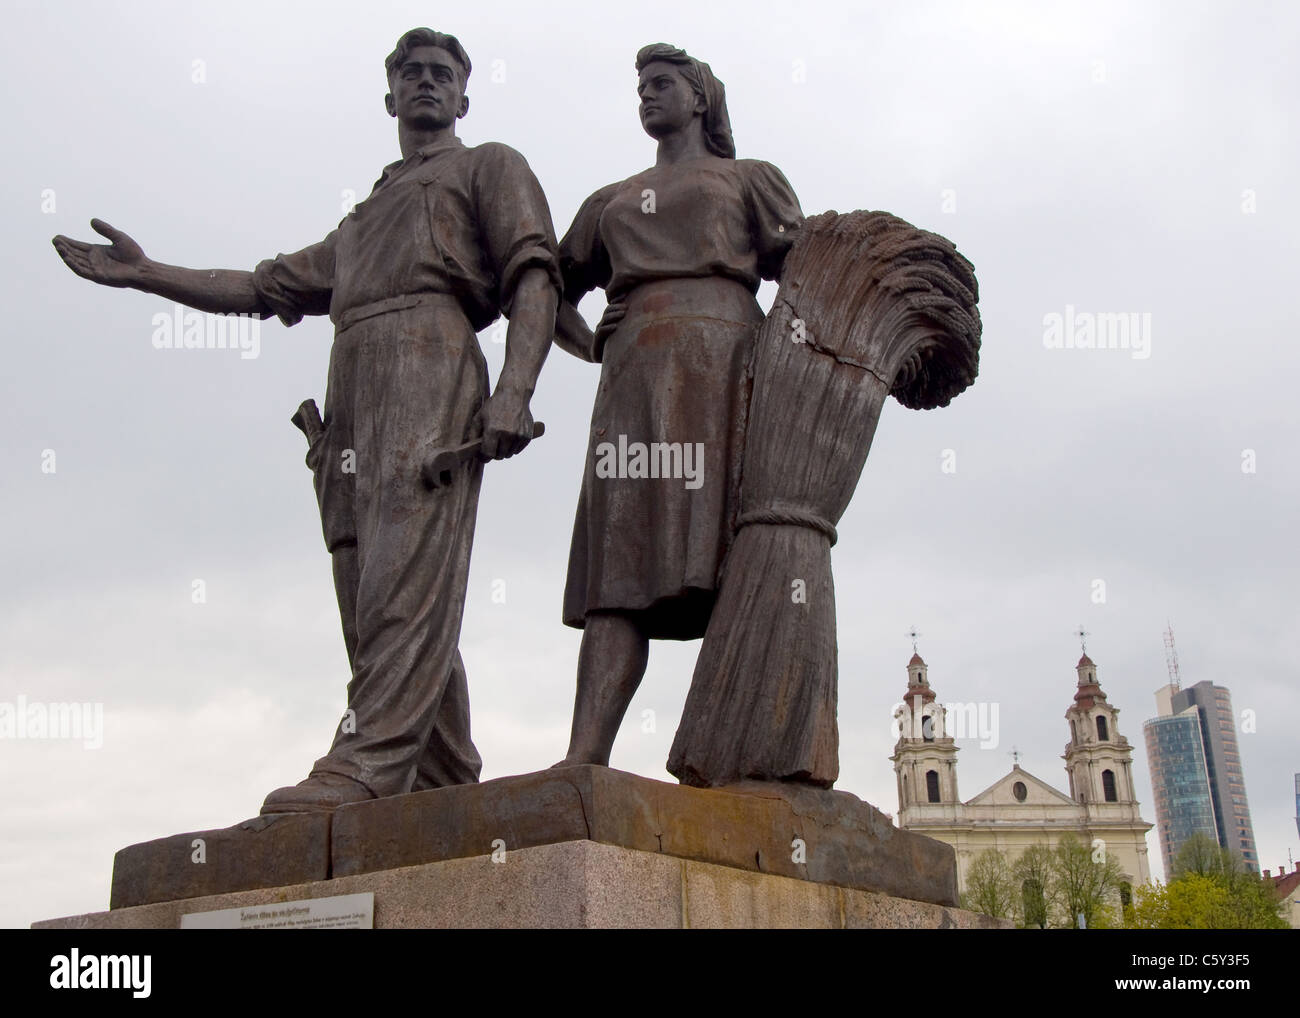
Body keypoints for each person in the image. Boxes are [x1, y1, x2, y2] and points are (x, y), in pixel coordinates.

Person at [52, 28, 561, 813]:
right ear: (389, 97)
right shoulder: (359, 224)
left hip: (431, 364)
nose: (426, 85)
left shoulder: (489, 165)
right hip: (353, 383)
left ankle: (366, 759)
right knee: (370, 587)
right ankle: (442, 773)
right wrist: (148, 274)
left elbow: (536, 275)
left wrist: (516, 390)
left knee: (403, 576)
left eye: (442, 75)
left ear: (464, 95)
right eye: (411, 75)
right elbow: (260, 286)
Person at [552, 43, 803, 767]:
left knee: (735, 555)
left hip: (729, 373)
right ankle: (584, 756)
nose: (646, 96)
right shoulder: (611, 200)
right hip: (633, 378)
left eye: (661, 84)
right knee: (617, 572)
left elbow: (807, 272)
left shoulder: (749, 180)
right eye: (640, 88)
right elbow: (543, 289)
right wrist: (589, 345)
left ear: (700, 98)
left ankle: (736, 756)